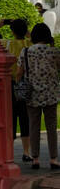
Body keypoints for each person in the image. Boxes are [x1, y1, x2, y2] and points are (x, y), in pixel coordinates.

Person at [0, 17, 31, 162]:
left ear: (11, 31)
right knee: (25, 117)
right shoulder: (28, 43)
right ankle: (27, 151)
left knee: (10, 117)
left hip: (10, 84)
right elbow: (34, 38)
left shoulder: (7, 44)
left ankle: (9, 151)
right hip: (25, 84)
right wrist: (24, 29)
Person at [21, 23, 60, 170]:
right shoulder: (54, 51)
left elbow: (19, 72)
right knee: (51, 127)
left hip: (32, 94)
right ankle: (53, 158)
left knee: (33, 126)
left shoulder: (25, 52)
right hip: (50, 93)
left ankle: (35, 158)